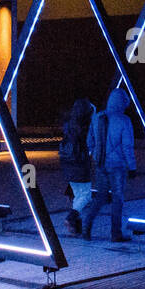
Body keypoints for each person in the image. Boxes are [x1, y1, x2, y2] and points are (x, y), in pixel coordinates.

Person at [81, 89, 136, 242]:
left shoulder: (98, 117)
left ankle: (86, 226)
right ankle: (115, 233)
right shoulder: (124, 120)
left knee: (100, 197)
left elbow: (89, 140)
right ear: (123, 102)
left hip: (100, 165)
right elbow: (127, 146)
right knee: (118, 199)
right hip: (117, 166)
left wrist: (94, 154)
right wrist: (132, 167)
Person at [59, 98, 95, 236]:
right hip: (80, 164)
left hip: (68, 163)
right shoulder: (84, 127)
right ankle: (71, 218)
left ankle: (75, 228)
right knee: (86, 196)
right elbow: (89, 144)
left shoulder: (69, 124)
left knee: (78, 195)